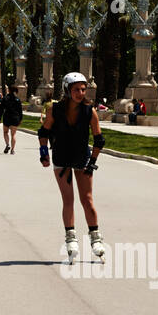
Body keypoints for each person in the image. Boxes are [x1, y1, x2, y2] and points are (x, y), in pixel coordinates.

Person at [38, 72, 105, 262]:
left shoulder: (89, 111)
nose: (81, 93)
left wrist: (92, 162)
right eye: (76, 89)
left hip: (81, 157)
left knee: (88, 200)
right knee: (68, 200)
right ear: (67, 90)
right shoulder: (55, 110)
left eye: (83, 89)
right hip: (61, 157)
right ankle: (71, 237)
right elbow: (44, 131)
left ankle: (95, 237)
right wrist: (43, 152)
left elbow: (99, 139)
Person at [0, 85, 24, 153]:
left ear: (9, 90)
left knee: (5, 132)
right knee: (13, 134)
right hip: (15, 117)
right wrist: (20, 119)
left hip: (7, 116)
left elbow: (1, 109)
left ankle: (7, 144)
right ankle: (12, 150)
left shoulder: (5, 98)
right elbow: (20, 110)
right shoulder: (17, 99)